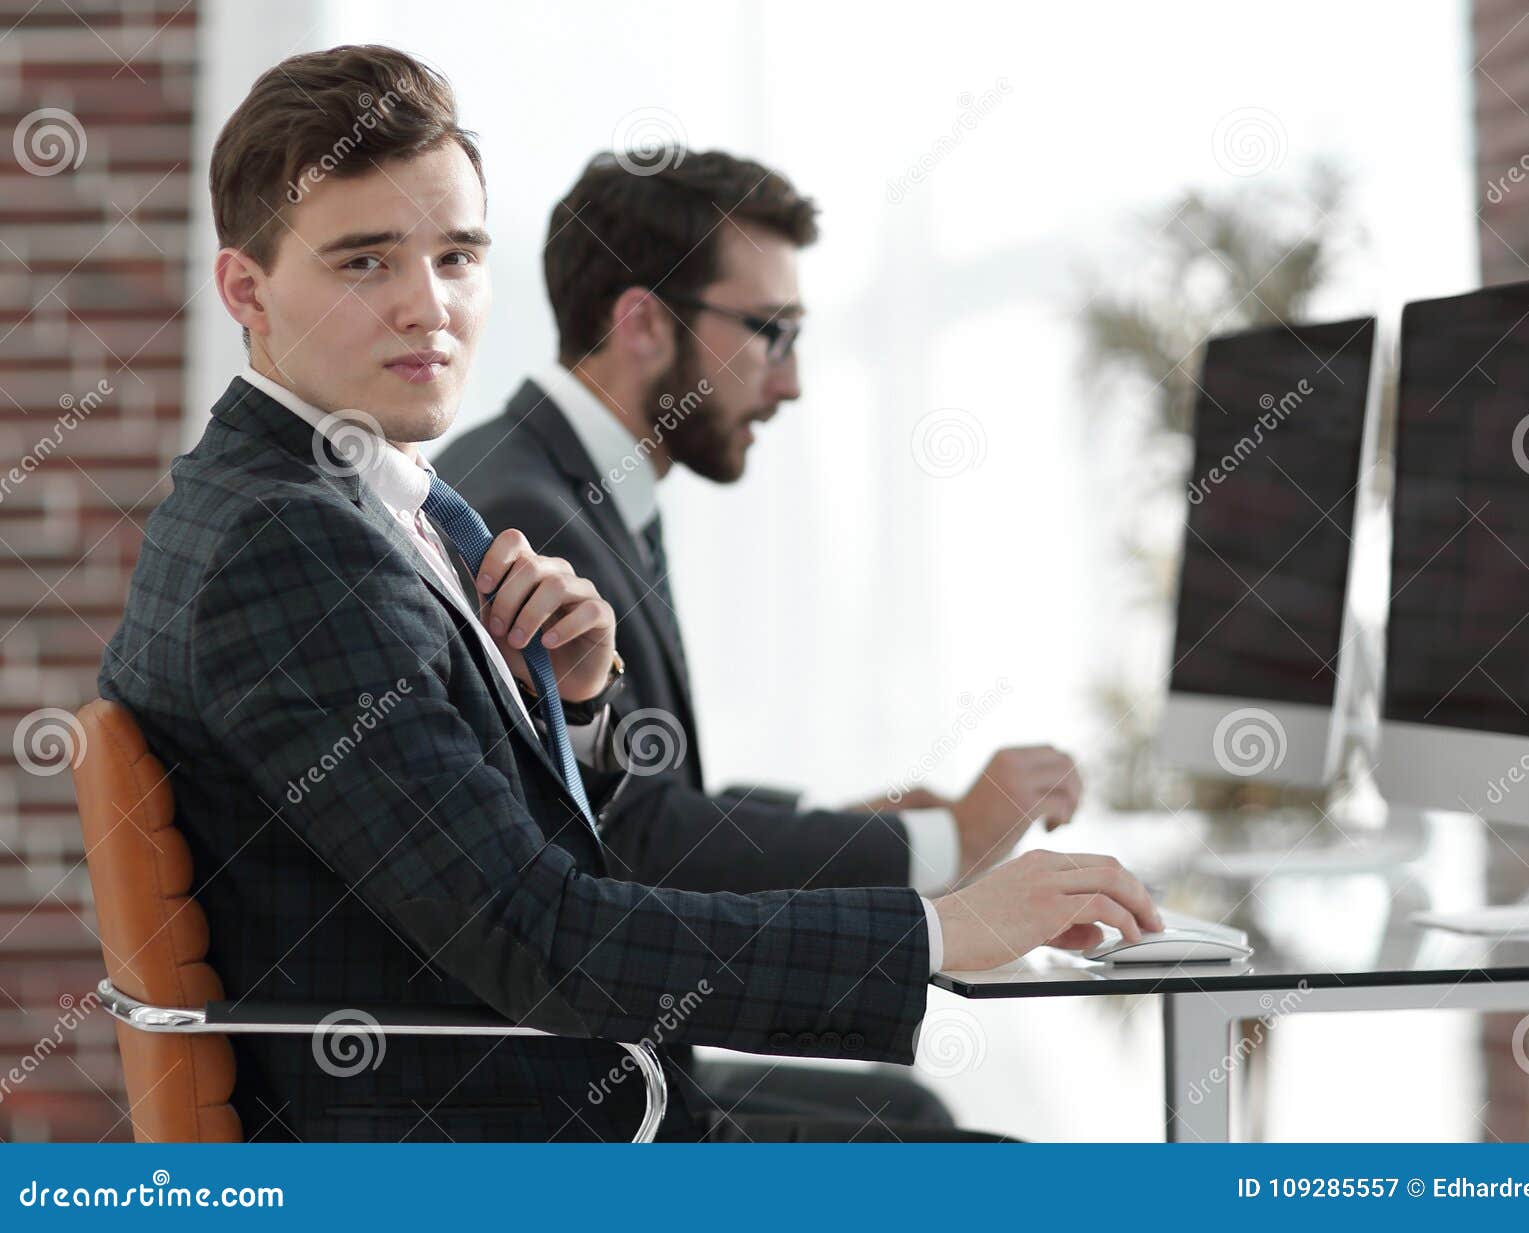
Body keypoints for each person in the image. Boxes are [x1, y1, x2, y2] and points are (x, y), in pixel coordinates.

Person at [99, 44, 1162, 1142]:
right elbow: (537, 932)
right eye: (366, 262)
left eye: (458, 255)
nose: (431, 307)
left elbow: (495, 852)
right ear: (247, 289)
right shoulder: (291, 542)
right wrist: (937, 931)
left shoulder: (339, 503)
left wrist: (573, 709)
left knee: (936, 1133)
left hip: (511, 1097)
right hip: (488, 1142)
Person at [432, 149, 1098, 1125]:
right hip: (580, 1099)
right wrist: (944, 841)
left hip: (611, 1058)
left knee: (910, 1112)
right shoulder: (528, 518)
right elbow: (635, 843)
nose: (787, 384)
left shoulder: (549, 476)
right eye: (771, 333)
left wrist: (866, 826)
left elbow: (627, 796)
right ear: (643, 322)